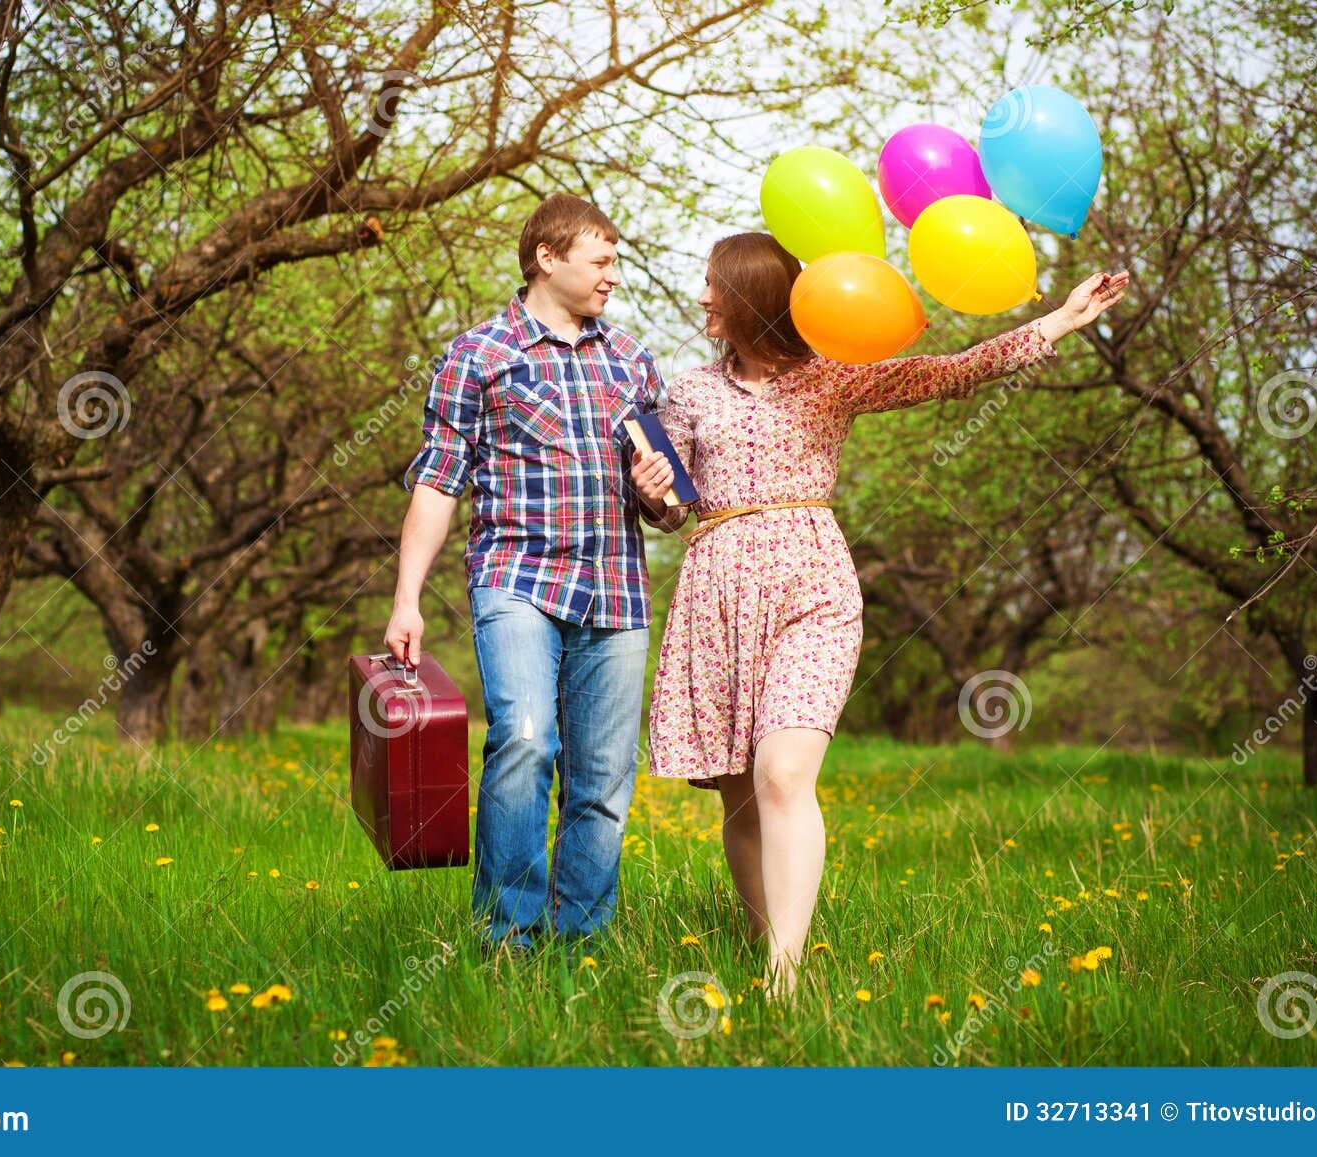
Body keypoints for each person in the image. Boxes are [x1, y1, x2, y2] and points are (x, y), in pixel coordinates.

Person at [637, 232, 1130, 999]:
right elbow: (672, 511)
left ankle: (785, 976)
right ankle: (767, 941)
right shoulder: (691, 392)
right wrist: (650, 489)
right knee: (740, 791)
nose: (701, 298)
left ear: (751, 300)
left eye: (713, 286)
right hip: (718, 593)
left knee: (782, 772)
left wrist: (1059, 321)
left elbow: (947, 372)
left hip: (813, 588)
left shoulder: (830, 379)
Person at [384, 193, 678, 951]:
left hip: (616, 589)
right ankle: (505, 937)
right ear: (548, 257)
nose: (614, 274)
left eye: (616, 261)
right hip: (518, 577)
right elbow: (437, 481)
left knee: (604, 779)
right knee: (522, 737)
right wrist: (406, 599)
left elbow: (672, 502)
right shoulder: (477, 356)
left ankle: (578, 940)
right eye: (601, 260)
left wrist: (662, 496)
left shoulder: (632, 360)